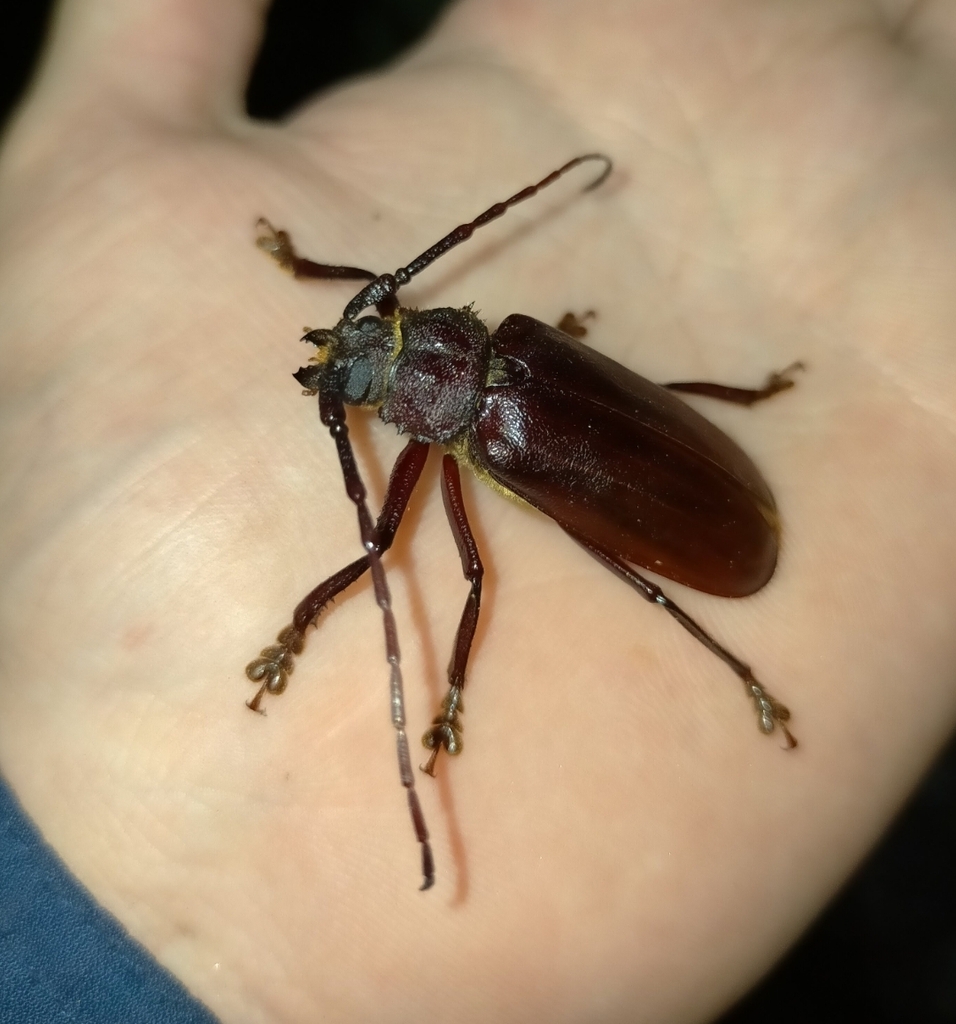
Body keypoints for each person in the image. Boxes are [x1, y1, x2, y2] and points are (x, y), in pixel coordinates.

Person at [1, 0, 955, 1021]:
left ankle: (741, 663)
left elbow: (425, 560)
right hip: (673, 471)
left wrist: (406, 679)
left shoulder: (491, 420)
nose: (350, 349)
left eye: (367, 359)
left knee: (528, 566)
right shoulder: (522, 347)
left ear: (423, 382)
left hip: (711, 514)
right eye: (360, 371)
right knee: (421, 545)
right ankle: (749, 442)